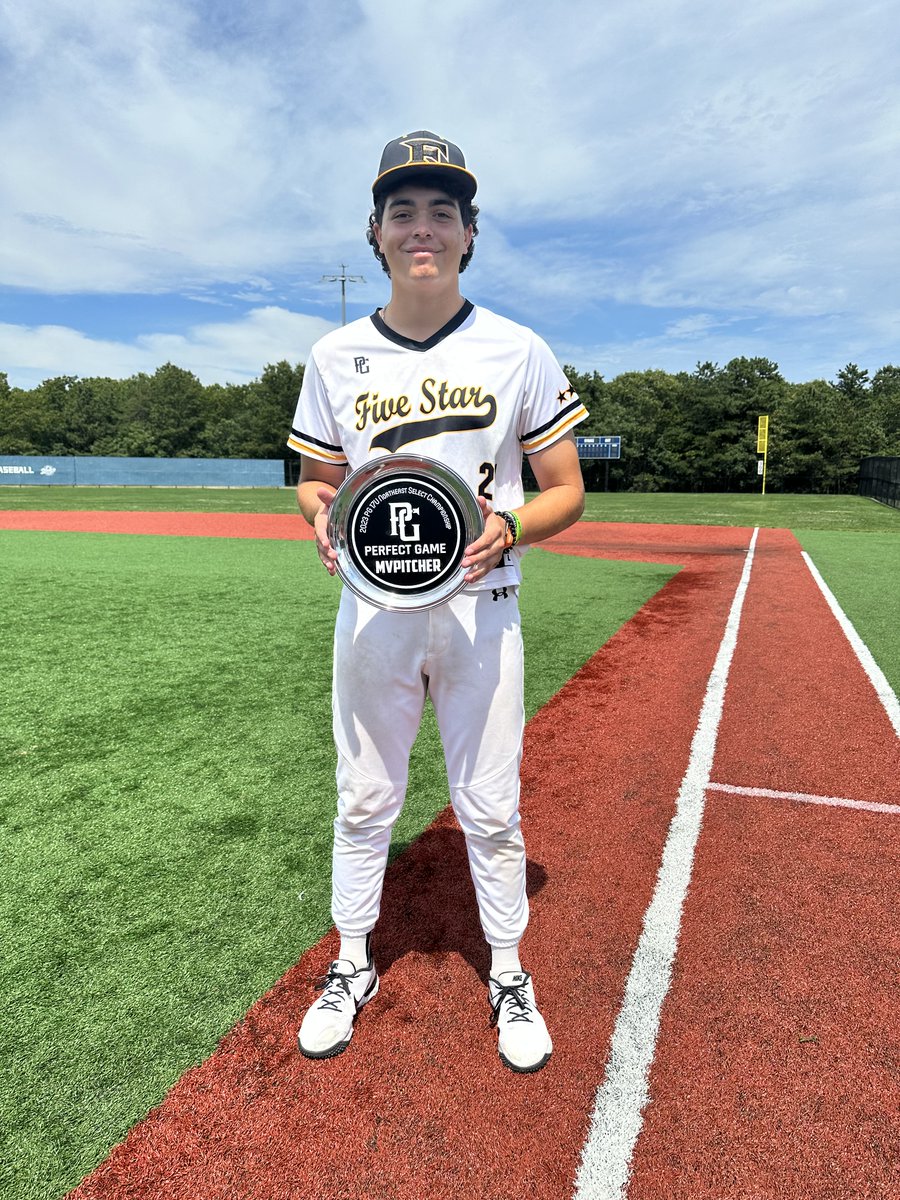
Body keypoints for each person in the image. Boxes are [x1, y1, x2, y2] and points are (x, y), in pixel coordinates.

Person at [288, 130, 588, 1073]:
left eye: (443, 211)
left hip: (480, 606)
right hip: (374, 613)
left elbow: (567, 488)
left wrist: (513, 526)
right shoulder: (334, 355)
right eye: (404, 210)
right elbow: (314, 481)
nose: (424, 227)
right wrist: (323, 520)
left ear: (469, 233)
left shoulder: (518, 348)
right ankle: (350, 963)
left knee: (490, 804)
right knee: (364, 797)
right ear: (376, 233)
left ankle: (506, 970)